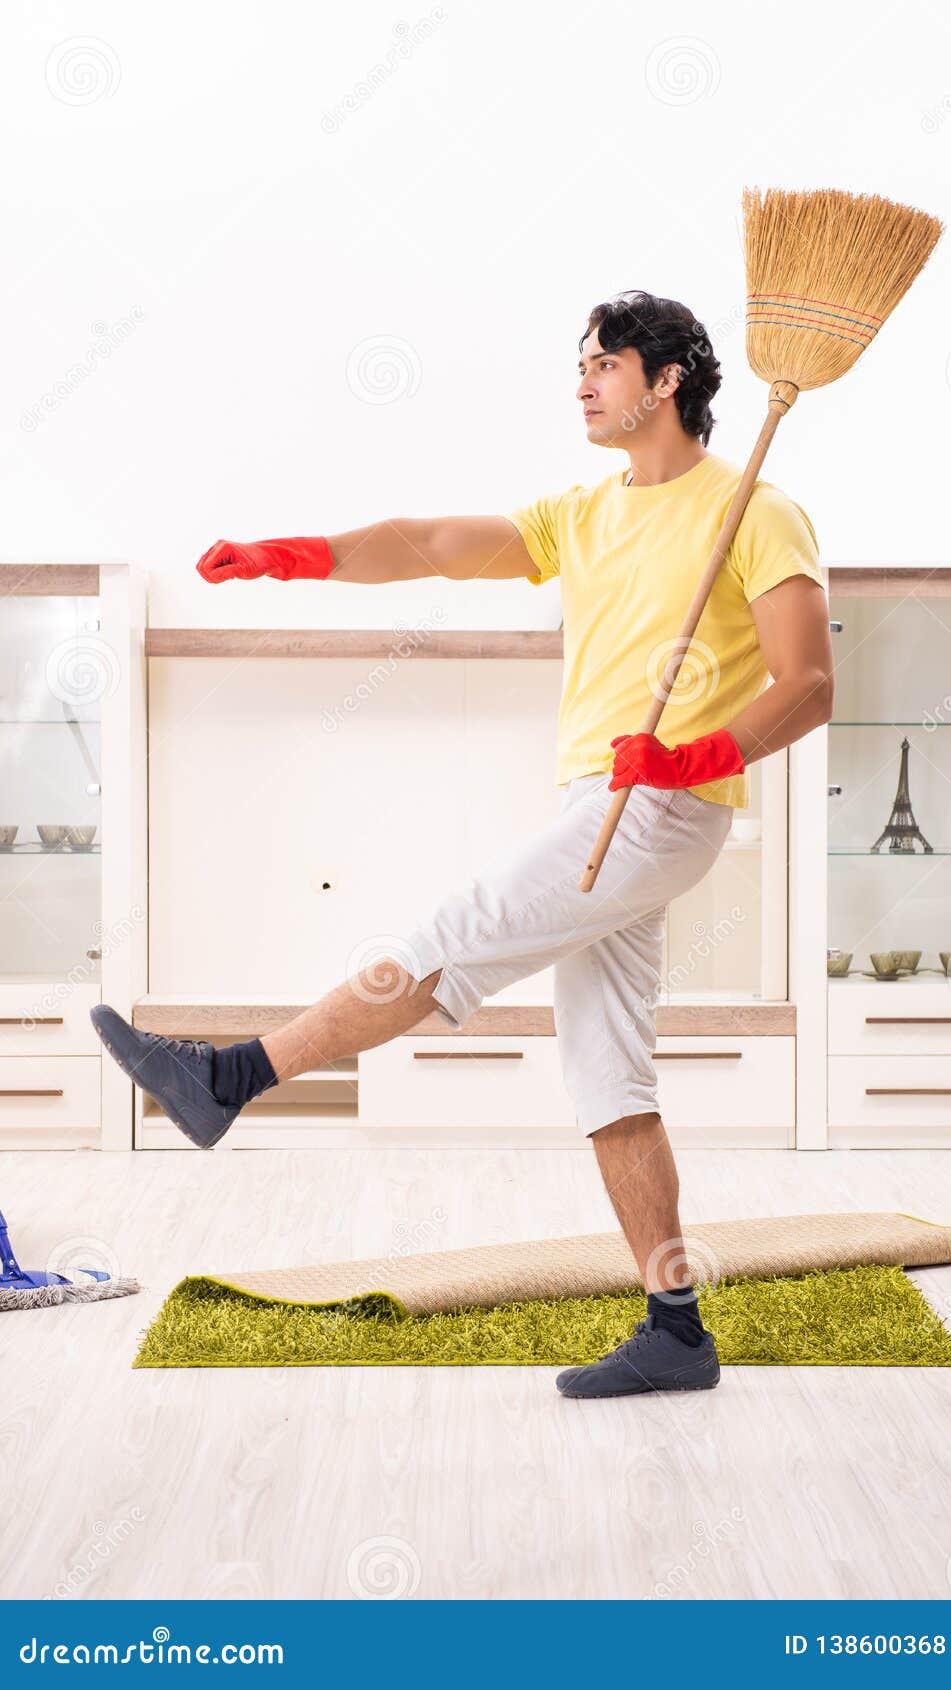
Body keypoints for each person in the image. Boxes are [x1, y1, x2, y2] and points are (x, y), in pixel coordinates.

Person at [91, 290, 833, 1400]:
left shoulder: (757, 511)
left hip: (666, 805)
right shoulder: (585, 514)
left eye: (601, 363)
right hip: (606, 800)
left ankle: (231, 1077)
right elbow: (432, 541)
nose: (581, 382)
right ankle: (677, 1328)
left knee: (450, 939)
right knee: (609, 1079)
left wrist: (689, 757)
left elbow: (810, 684)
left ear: (667, 377)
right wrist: (296, 555)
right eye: (577, 365)